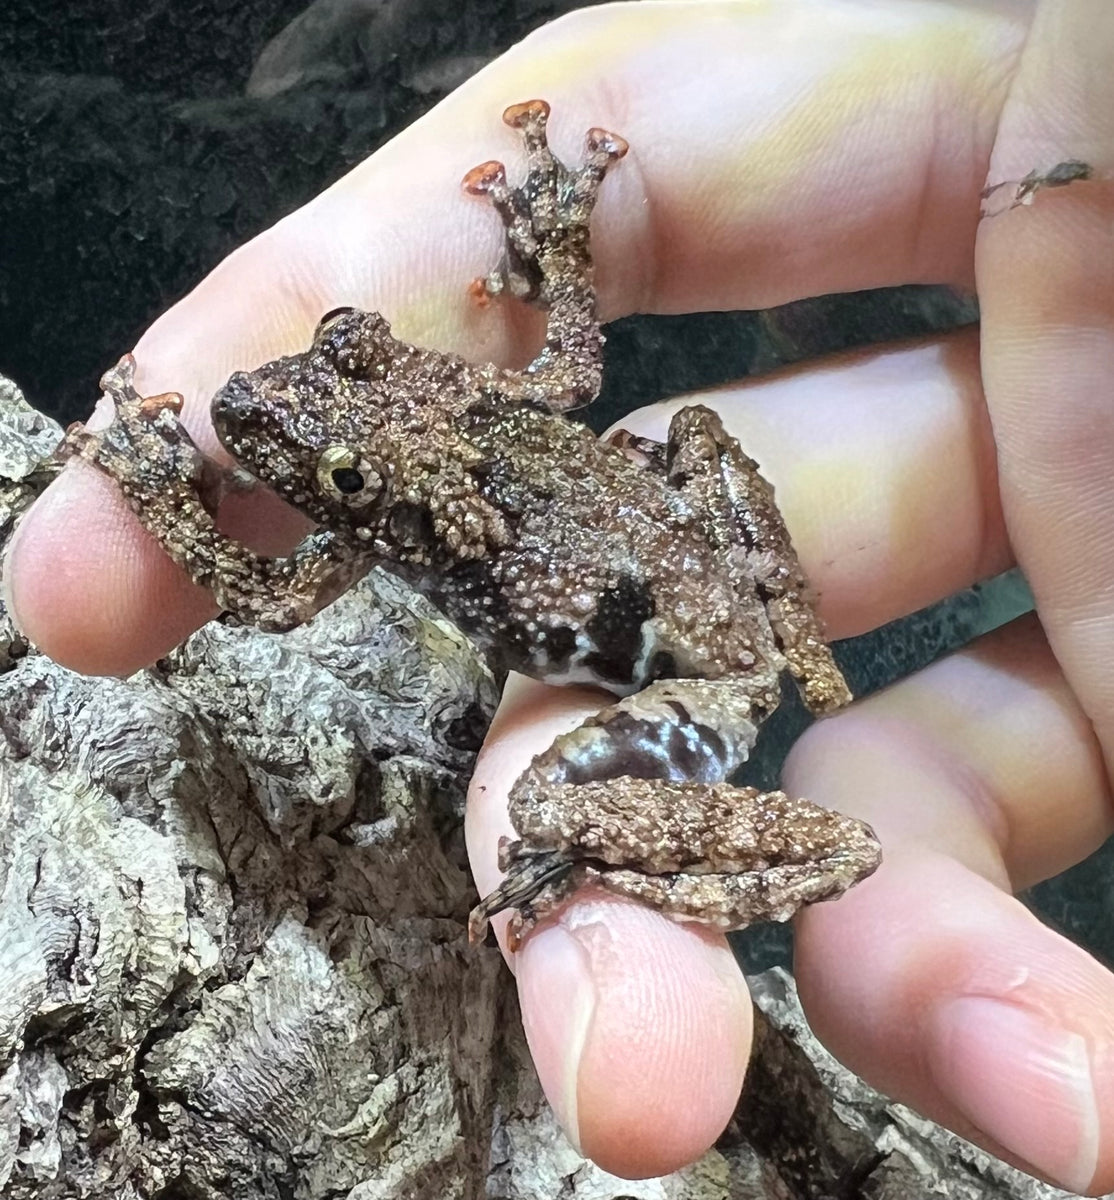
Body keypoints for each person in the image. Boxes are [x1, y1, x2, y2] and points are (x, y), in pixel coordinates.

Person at [5, 0, 1112, 1189]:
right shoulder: (478, 416)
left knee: (543, 813)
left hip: (696, 689)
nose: (266, 403)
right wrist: (555, 237)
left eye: (339, 475)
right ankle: (802, 647)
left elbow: (273, 600)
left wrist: (174, 500)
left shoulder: (404, 508)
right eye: (338, 353)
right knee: (687, 432)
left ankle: (722, 750)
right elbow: (576, 361)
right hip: (687, 564)